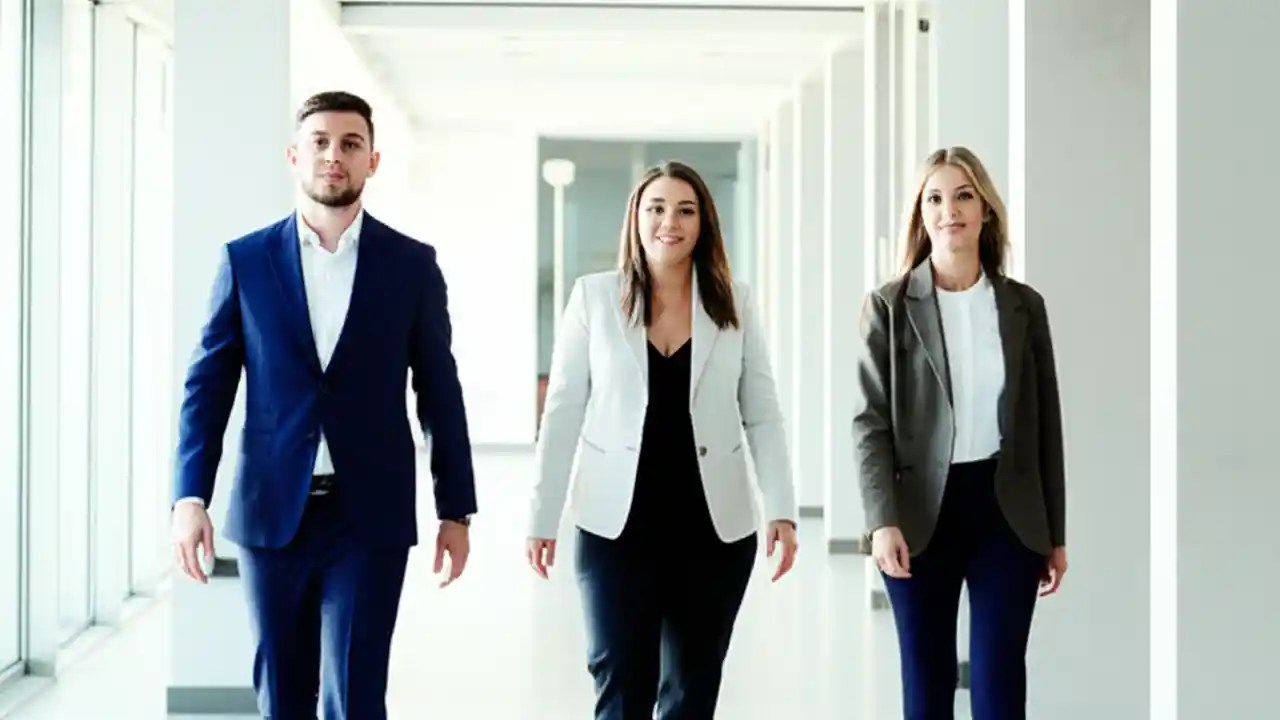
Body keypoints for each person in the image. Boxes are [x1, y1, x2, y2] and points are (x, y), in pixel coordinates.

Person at [170, 90, 477, 720]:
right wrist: (188, 497)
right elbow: (208, 385)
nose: (333, 156)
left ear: (373, 161)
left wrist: (457, 509)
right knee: (280, 695)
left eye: (350, 144)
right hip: (270, 513)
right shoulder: (246, 260)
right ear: (294, 155)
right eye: (319, 143)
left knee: (356, 696)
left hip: (368, 517)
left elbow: (439, 390)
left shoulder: (411, 266)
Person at [526, 160, 799, 719]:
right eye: (655, 208)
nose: (668, 222)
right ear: (636, 218)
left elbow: (763, 413)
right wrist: (541, 517)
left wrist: (783, 510)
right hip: (615, 525)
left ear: (703, 223)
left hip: (713, 529)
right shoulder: (594, 298)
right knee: (620, 681)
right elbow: (563, 412)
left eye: (684, 209)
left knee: (692, 692)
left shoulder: (734, 302)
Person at [852, 146, 1068, 719]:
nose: (951, 210)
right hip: (920, 514)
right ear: (921, 216)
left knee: (1000, 686)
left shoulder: (1023, 306)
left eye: (964, 195)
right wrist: (881, 521)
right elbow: (870, 424)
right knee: (927, 684)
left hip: (1008, 513)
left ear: (986, 210)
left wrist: (1056, 531)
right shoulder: (889, 307)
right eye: (935, 198)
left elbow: (1046, 423)